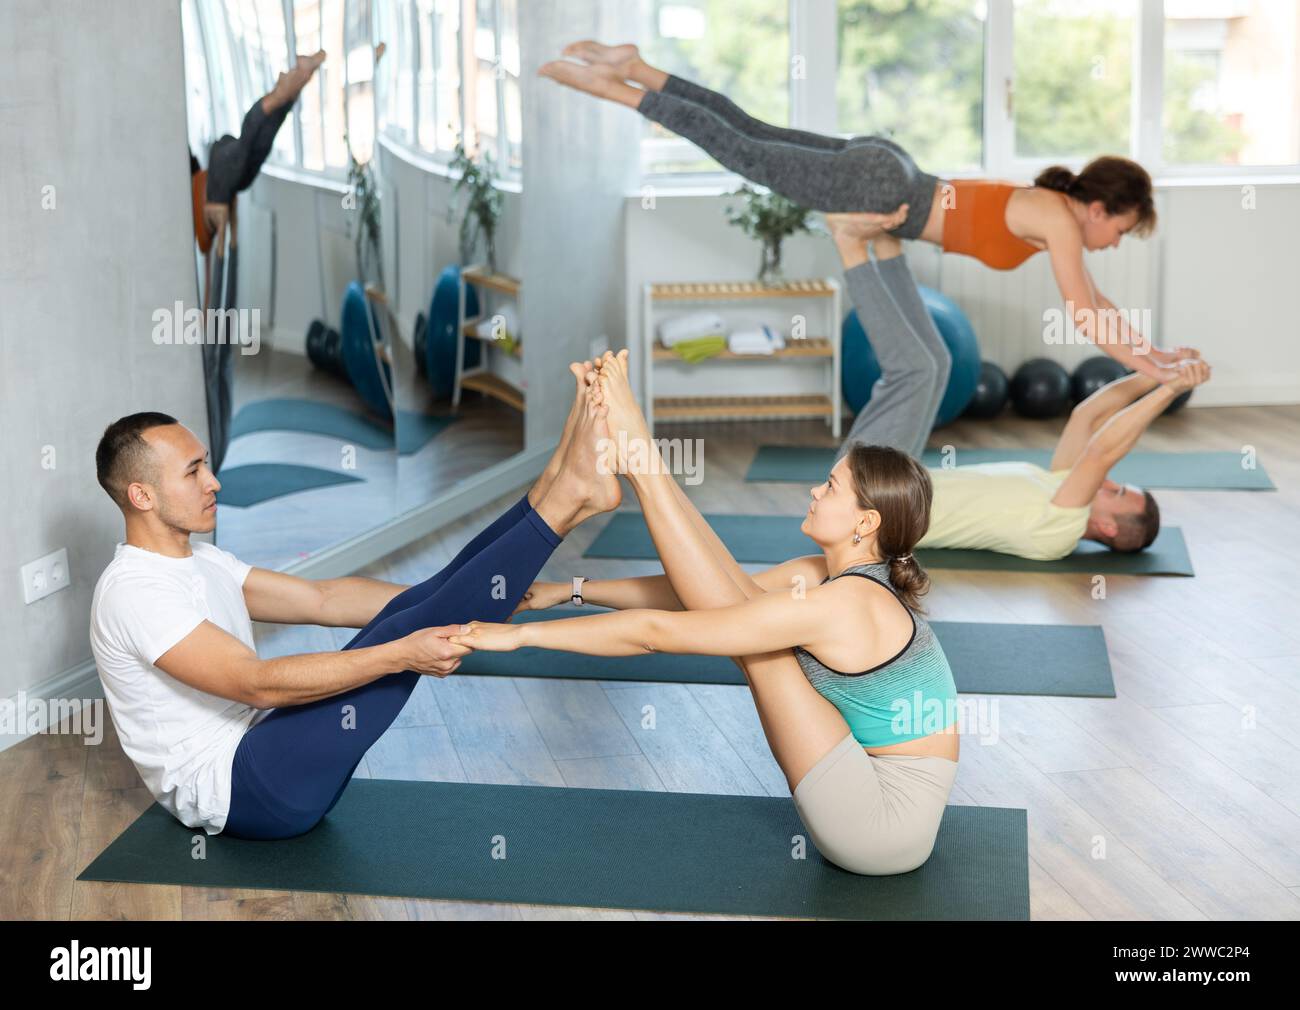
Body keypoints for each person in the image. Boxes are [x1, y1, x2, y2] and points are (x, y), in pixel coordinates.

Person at [454, 349, 961, 876]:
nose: (814, 490)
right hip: (878, 797)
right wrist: (572, 590)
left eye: (831, 487)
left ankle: (642, 462)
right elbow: (702, 588)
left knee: (760, 649)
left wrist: (522, 639)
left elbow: (659, 633)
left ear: (866, 523)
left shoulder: (848, 603)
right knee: (743, 610)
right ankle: (642, 461)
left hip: (879, 828)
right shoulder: (822, 575)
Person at [88, 361, 621, 839]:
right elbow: (255, 684)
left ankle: (558, 485)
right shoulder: (134, 591)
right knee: (400, 633)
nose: (215, 482)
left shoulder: (202, 560)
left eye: (206, 464)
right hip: (243, 790)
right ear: (142, 496)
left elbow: (324, 598)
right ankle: (566, 499)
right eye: (194, 472)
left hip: (279, 757)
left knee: (421, 602)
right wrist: (403, 653)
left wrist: (465, 595)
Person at [538, 40, 1201, 386]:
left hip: (889, 169)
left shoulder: (1054, 213)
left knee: (749, 129)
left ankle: (638, 67)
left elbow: (1100, 303)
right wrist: (1145, 366)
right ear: (1100, 206)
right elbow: (1082, 311)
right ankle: (612, 88)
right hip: (885, 191)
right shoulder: (1058, 216)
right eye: (1122, 228)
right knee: (740, 149)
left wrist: (1155, 352)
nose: (1115, 243)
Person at [820, 214, 1212, 560]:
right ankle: (888, 248)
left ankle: (848, 244)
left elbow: (1101, 452)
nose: (1108, 483)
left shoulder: (1059, 531)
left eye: (1117, 493)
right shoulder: (1060, 486)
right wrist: (1158, 371)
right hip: (896, 484)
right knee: (937, 364)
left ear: (1107, 528)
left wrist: (1170, 390)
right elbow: (1087, 416)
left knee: (915, 370)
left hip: (870, 509)